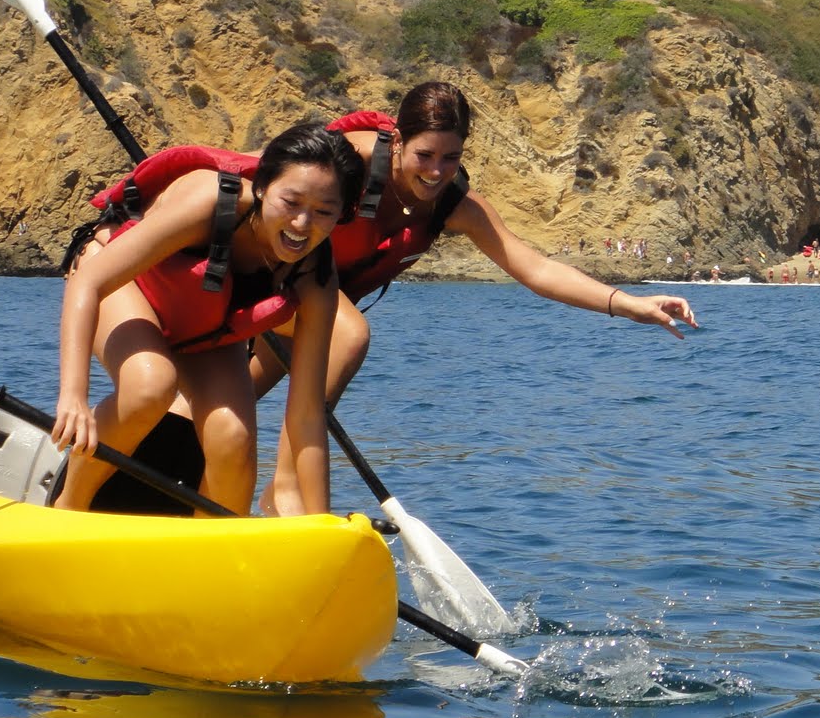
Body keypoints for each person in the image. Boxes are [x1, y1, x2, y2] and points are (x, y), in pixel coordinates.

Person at [249, 81, 698, 515]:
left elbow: (535, 268)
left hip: (307, 308)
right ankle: (284, 495)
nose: (436, 171)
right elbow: (260, 171)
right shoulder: (355, 157)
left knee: (233, 397)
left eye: (451, 157)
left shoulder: (455, 205)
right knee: (348, 336)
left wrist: (629, 303)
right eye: (425, 155)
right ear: (399, 140)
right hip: (271, 274)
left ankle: (195, 493)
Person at [51, 122, 366, 515]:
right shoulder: (210, 202)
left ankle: (212, 549)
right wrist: (73, 396)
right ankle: (68, 507)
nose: (303, 225)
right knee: (150, 384)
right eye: (291, 202)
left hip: (199, 323)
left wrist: (322, 524)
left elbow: (306, 416)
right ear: (264, 186)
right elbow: (89, 284)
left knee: (232, 438)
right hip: (121, 285)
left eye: (324, 212)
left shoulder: (316, 278)